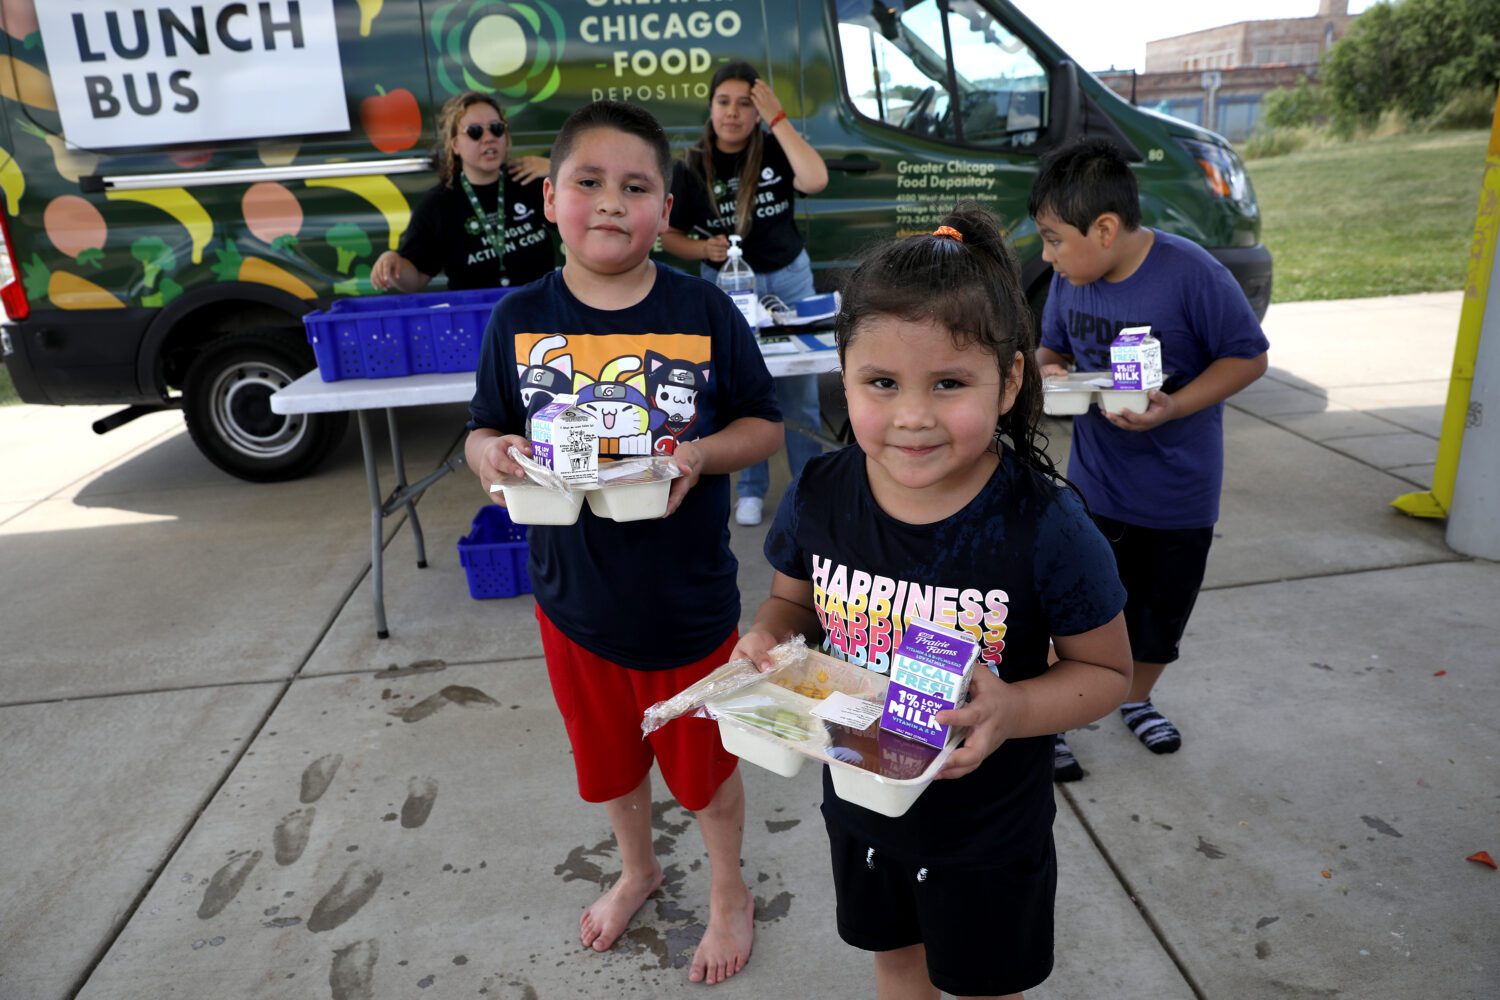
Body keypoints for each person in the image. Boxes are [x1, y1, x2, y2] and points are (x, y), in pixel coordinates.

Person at [731, 205, 1134, 999]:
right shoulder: (821, 492)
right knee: (896, 964)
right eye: (881, 383)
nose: (912, 416)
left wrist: (1013, 709)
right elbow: (791, 603)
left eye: (948, 383)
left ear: (1009, 379)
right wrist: (765, 639)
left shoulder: (1046, 526)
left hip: (987, 831)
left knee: (986, 985)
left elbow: (1107, 670)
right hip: (859, 806)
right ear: (842, 376)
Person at [465, 100, 784, 985]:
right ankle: (638, 868)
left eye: (636, 186)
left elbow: (764, 427)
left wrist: (703, 453)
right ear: (551, 202)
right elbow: (481, 433)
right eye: (589, 183)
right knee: (608, 763)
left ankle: (729, 891)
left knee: (706, 769)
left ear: (666, 213)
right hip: (571, 603)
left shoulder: (704, 310)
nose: (611, 202)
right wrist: (491, 451)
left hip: (688, 607)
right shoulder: (518, 318)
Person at [1029, 139, 1270, 782]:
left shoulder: (1192, 275)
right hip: (1092, 488)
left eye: (1054, 240)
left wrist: (1175, 405)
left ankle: (1135, 698)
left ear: (1104, 229)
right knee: (1071, 611)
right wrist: (1052, 376)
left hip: (1176, 494)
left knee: (1160, 616)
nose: (1048, 256)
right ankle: (1050, 720)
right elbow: (1049, 349)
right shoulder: (1068, 279)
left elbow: (1248, 356)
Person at [659, 61, 829, 528]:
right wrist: (700, 247)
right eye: (723, 102)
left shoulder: (775, 147)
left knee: (799, 393)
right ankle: (750, 490)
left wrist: (779, 119)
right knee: (742, 396)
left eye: (745, 104)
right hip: (727, 289)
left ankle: (807, 493)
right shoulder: (691, 166)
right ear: (710, 107)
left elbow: (815, 180)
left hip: (788, 279)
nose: (732, 113)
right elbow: (666, 234)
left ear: (758, 111)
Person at [370, 91, 556, 293]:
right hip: (476, 318)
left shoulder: (529, 180)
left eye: (496, 129)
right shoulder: (438, 204)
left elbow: (583, 226)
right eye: (475, 131)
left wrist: (558, 171)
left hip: (541, 309)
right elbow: (415, 279)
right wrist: (392, 261)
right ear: (455, 145)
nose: (488, 138)